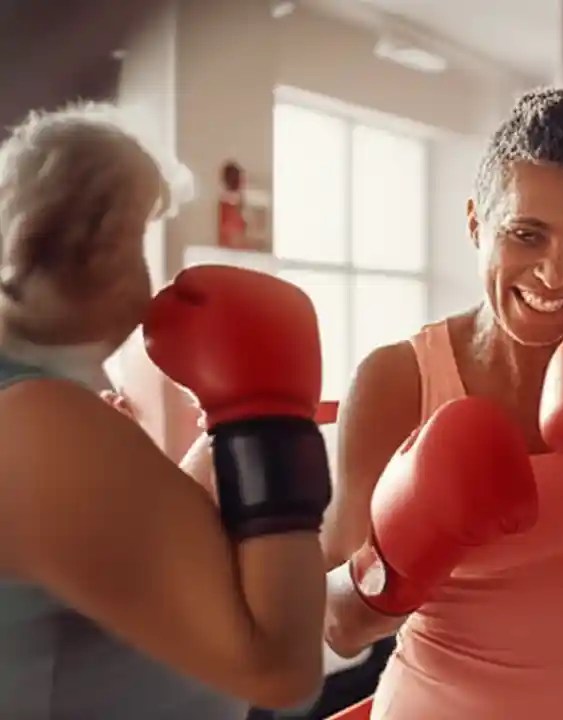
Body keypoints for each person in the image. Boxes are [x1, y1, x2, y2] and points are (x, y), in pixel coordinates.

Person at [319, 87, 563, 720]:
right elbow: (339, 627)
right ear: (477, 223)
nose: (556, 276)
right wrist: (399, 552)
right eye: (526, 235)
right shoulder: (398, 379)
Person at [0, 104, 332, 718]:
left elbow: (143, 555)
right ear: (90, 246)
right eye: (137, 243)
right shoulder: (37, 424)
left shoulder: (43, 404)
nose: (147, 280)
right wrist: (268, 423)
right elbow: (282, 672)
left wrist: (226, 428)